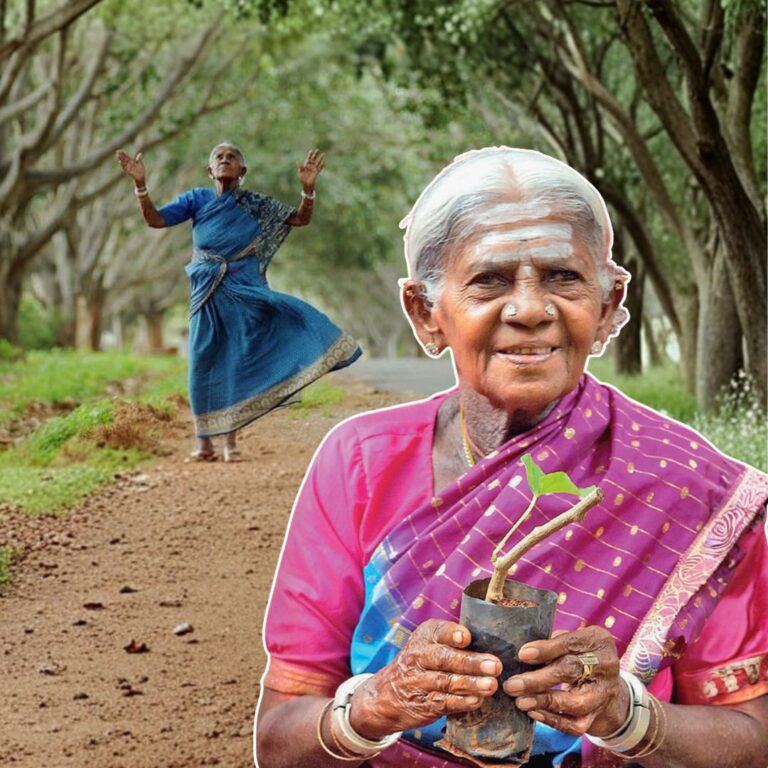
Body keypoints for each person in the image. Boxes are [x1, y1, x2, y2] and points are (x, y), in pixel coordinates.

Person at [255, 148, 768, 768]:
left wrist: (627, 716)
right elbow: (281, 739)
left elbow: (752, 739)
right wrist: (379, 705)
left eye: (563, 277)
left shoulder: (694, 488)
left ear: (607, 308)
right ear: (426, 313)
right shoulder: (361, 465)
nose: (529, 309)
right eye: (489, 281)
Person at [116, 143, 361, 462]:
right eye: (219, 157)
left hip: (246, 289)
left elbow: (299, 219)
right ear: (210, 171)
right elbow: (156, 220)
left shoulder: (256, 204)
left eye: (232, 157)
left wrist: (308, 190)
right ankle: (204, 441)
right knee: (202, 361)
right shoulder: (197, 199)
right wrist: (140, 184)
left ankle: (230, 440)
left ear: (242, 172)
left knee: (236, 359)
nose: (225, 160)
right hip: (206, 290)